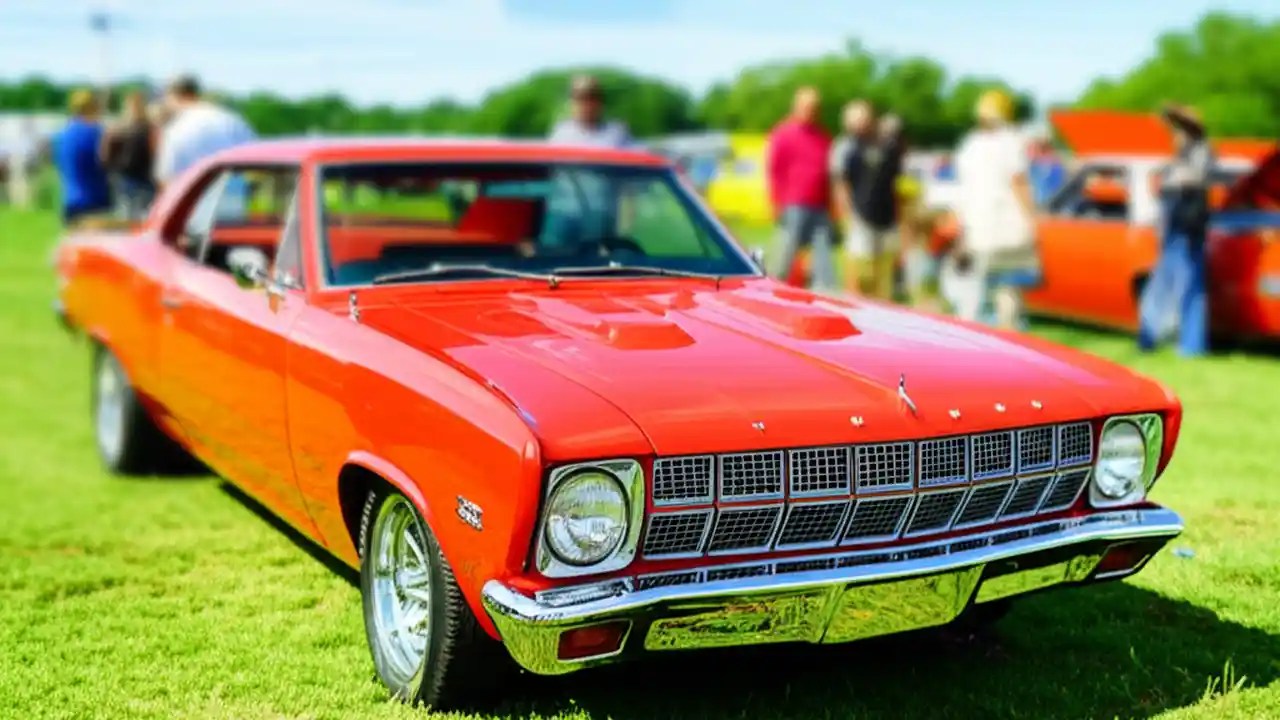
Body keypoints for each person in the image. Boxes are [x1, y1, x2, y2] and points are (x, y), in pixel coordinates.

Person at [948, 89, 1039, 329]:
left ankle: (971, 336)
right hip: (1008, 228)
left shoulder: (969, 145)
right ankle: (1009, 335)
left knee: (975, 291)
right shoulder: (1010, 141)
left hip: (977, 229)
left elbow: (962, 189)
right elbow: (1018, 182)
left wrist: (961, 225)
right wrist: (1033, 218)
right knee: (1008, 288)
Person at [1137, 104, 1214, 356]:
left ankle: (1189, 345)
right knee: (1169, 283)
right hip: (1176, 228)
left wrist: (1167, 176)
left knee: (1189, 285)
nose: (1174, 136)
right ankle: (1154, 337)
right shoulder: (1181, 157)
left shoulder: (1200, 151)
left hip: (1187, 229)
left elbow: (1194, 180)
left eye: (1177, 130)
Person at [766, 86, 835, 290]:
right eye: (807, 107)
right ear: (796, 107)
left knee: (823, 260)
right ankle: (773, 292)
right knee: (783, 258)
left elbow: (829, 175)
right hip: (793, 204)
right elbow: (774, 171)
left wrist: (832, 206)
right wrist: (777, 204)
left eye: (815, 107)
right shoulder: (783, 134)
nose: (811, 111)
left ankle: (826, 295)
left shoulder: (823, 137)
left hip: (820, 205)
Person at [836, 104, 904, 300]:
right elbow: (841, 184)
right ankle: (854, 303)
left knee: (883, 271)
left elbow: (895, 184)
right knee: (857, 269)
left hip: (886, 217)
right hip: (860, 216)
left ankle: (881, 305)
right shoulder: (846, 148)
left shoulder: (888, 148)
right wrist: (847, 215)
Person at [154, 75, 256, 188]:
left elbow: (166, 179)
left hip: (196, 200)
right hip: (236, 197)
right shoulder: (232, 120)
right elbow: (254, 162)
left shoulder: (176, 128)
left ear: (173, 96)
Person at [52, 89, 112, 225]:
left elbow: (58, 165)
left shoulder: (60, 135)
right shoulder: (97, 133)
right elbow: (107, 163)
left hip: (70, 201)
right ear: (91, 108)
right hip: (95, 203)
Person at [101, 90, 157, 220]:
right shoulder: (149, 129)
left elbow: (104, 157)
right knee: (144, 219)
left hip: (124, 179)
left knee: (124, 218)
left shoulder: (117, 129)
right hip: (145, 180)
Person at [548, 75, 632, 148]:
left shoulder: (617, 133)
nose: (585, 104)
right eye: (579, 98)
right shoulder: (561, 133)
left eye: (591, 98)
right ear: (571, 102)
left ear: (600, 102)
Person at [1028, 133, 1066, 207]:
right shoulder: (1034, 166)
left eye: (1034, 149)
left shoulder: (1053, 162)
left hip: (1054, 200)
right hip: (1044, 201)